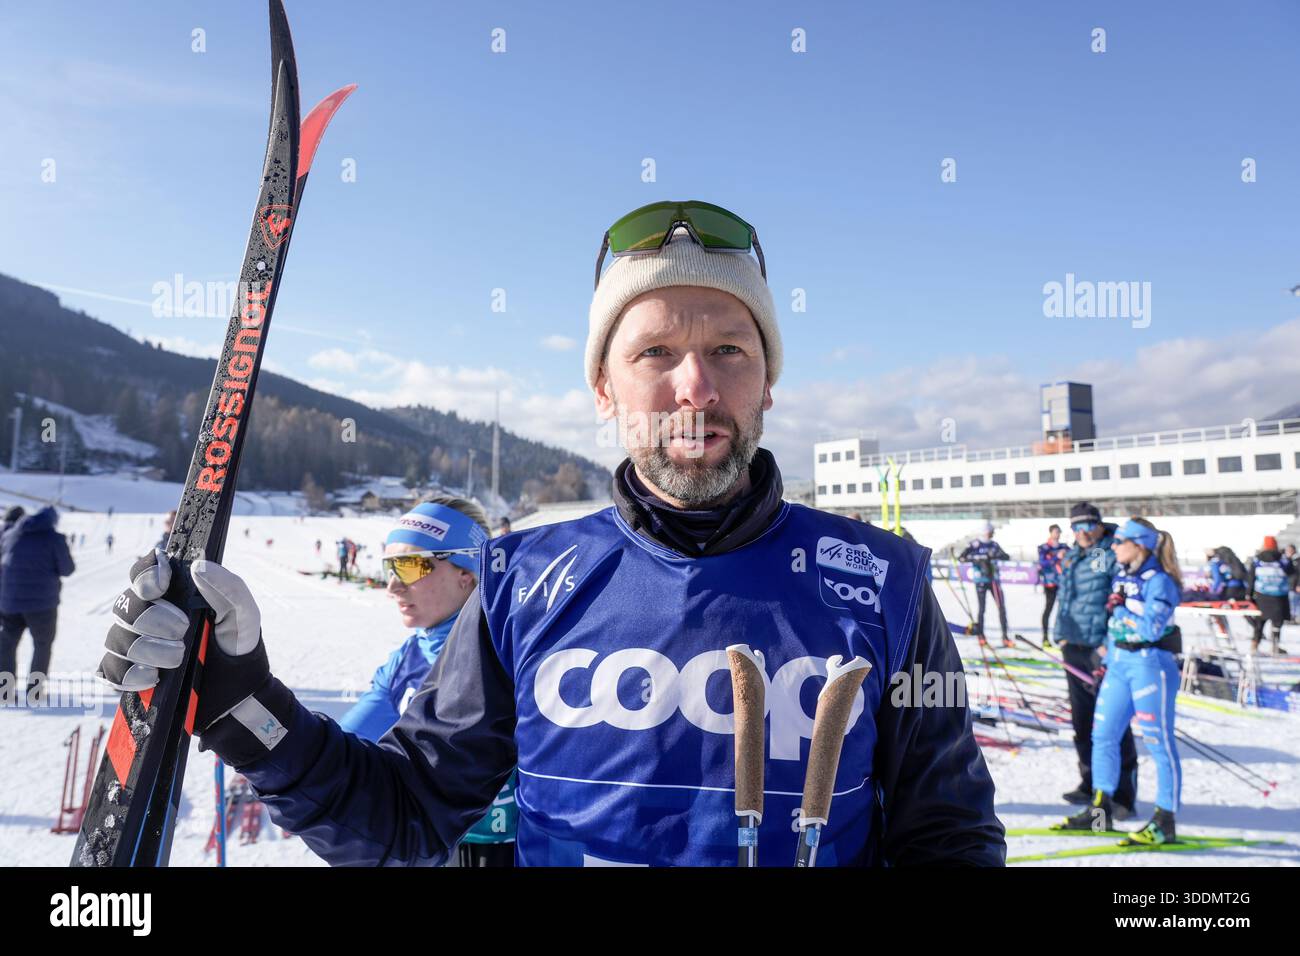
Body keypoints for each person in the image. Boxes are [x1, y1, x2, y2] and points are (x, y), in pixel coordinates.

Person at [95, 201, 1004, 866]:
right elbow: (405, 817)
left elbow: (949, 838)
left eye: (730, 348)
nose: (696, 386)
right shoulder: (524, 580)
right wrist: (241, 710)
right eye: (654, 353)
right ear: (604, 390)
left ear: (768, 383)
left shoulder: (882, 582)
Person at [339, 496, 517, 866]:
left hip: (521, 850)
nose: (392, 587)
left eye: (408, 567)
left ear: (466, 574)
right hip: (435, 849)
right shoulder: (406, 660)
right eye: (390, 567)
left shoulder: (520, 647)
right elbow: (345, 750)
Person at [1058, 518, 1183, 844]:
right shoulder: (1122, 576)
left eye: (1120, 541)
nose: (1114, 546)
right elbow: (1116, 625)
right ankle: (1101, 812)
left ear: (1138, 544)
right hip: (1120, 665)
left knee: (1159, 744)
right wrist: (1107, 658)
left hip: (1151, 665)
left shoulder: (1160, 581)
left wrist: (1123, 608)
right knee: (1102, 736)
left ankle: (1164, 821)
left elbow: (1152, 629)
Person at [1052, 502, 1138, 817]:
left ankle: (1122, 795)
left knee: (1112, 722)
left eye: (1088, 525)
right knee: (1082, 720)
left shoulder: (1103, 553)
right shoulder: (1074, 554)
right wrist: (1060, 633)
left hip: (1098, 650)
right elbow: (1068, 598)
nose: (1082, 532)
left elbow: (1110, 593)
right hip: (1073, 645)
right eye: (1076, 527)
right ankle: (1091, 783)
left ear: (1099, 525)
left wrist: (1106, 643)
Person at [0, 506, 75, 704]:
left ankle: (4, 692)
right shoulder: (54, 538)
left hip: (10, 601)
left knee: (7, 645)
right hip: (42, 604)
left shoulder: (12, 534)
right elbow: (67, 569)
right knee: (42, 646)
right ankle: (34, 692)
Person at [959, 522, 1012, 648]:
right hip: (981, 580)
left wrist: (996, 555)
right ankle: (981, 636)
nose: (992, 533)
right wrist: (979, 558)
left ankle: (1005, 637)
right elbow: (961, 558)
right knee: (982, 609)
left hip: (994, 580)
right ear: (985, 532)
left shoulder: (994, 545)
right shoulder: (975, 544)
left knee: (1001, 608)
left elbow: (1006, 556)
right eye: (990, 531)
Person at [1247, 536, 1290, 655]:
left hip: (1262, 595)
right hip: (1279, 595)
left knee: (1259, 622)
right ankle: (1275, 646)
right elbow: (1291, 571)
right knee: (1277, 622)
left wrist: (1249, 595)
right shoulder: (1282, 559)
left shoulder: (1257, 560)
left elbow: (1251, 578)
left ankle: (1254, 645)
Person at [1037, 523, 1068, 647]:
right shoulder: (1044, 547)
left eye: (1059, 531)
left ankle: (1062, 637)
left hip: (1063, 583)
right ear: (1050, 533)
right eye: (1055, 531)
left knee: (1063, 611)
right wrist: (1056, 557)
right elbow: (1042, 563)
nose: (1058, 534)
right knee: (1048, 610)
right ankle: (1045, 638)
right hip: (1049, 583)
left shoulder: (1064, 547)